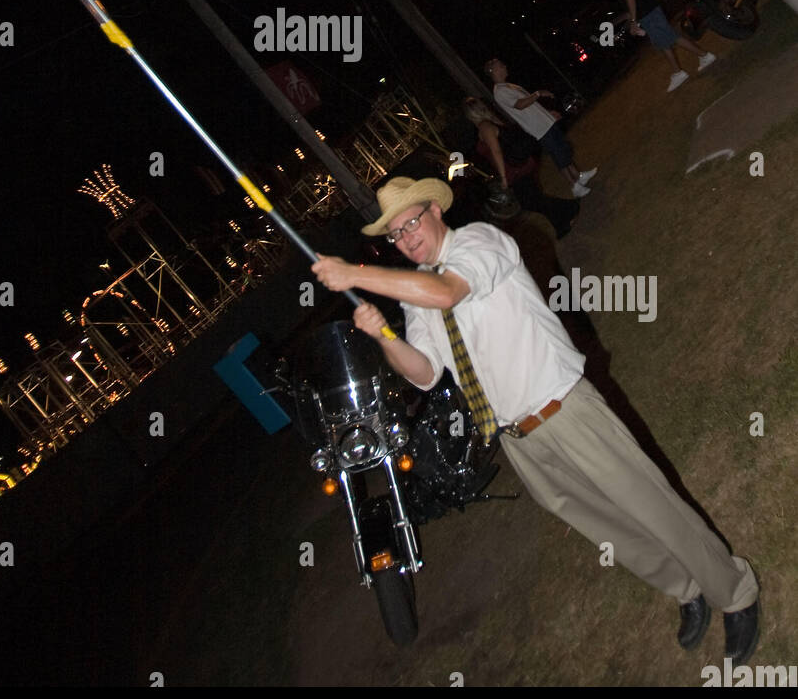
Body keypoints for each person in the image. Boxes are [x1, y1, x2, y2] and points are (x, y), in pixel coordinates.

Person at [311, 176, 760, 665]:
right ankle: (684, 586)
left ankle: (736, 592)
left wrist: (354, 275)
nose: (407, 237)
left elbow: (446, 293)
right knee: (602, 522)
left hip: (562, 408)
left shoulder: (481, 241)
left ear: (435, 212)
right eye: (396, 234)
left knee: (649, 503)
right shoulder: (413, 292)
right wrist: (384, 337)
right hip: (517, 438)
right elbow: (424, 373)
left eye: (411, 222)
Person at [579, 0, 715, 93]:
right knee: (663, 41)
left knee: (670, 37)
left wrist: (633, 20)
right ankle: (680, 71)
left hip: (646, 10)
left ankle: (703, 57)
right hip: (646, 7)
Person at [462, 96, 581, 238]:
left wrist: (504, 176)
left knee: (529, 201)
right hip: (519, 164)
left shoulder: (484, 127)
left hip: (514, 169)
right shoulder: (492, 121)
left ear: (470, 114)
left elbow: (496, 151)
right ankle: (561, 222)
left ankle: (569, 208)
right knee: (533, 199)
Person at [483, 58, 596, 197]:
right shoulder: (500, 92)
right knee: (558, 155)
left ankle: (578, 176)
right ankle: (574, 186)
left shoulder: (507, 86)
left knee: (562, 149)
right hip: (538, 128)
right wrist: (538, 94)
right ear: (492, 71)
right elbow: (520, 105)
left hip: (544, 122)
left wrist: (547, 113)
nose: (504, 66)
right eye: (500, 65)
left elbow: (530, 106)